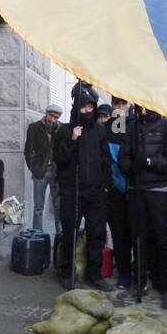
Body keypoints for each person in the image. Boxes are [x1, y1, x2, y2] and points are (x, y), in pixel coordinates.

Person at [119, 105, 167, 308]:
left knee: (162, 238)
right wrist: (131, 167)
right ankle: (139, 282)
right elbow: (123, 158)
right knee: (138, 238)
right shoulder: (132, 127)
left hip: (159, 189)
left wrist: (148, 161)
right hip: (136, 188)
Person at [53, 83, 112, 290]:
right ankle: (67, 271)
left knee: (96, 233)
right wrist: (72, 139)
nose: (88, 111)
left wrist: (105, 185)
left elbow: (106, 160)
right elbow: (59, 159)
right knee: (70, 232)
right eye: (85, 107)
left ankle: (94, 274)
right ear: (77, 107)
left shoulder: (100, 131)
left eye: (91, 107)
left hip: (96, 192)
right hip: (72, 191)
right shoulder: (65, 131)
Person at [106, 97, 134, 289]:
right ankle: (124, 271)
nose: (120, 108)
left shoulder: (136, 126)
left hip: (135, 189)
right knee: (119, 232)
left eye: (123, 104)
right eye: (116, 104)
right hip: (114, 189)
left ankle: (139, 270)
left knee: (137, 232)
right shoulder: (107, 128)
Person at [25, 104, 63, 234]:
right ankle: (37, 235)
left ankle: (60, 235)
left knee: (58, 206)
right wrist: (33, 168)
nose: (52, 120)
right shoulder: (34, 127)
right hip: (40, 171)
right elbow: (28, 150)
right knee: (38, 207)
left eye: (56, 118)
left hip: (57, 172)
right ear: (46, 113)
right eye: (51, 116)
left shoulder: (60, 128)